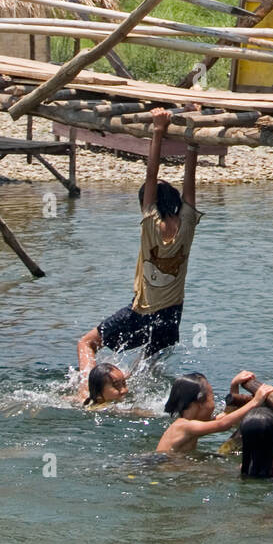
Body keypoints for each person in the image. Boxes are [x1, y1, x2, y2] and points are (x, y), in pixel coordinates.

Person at [76, 108, 198, 380]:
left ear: (149, 203)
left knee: (86, 343)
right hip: (171, 318)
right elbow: (189, 183)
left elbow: (150, 176)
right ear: (177, 203)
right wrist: (191, 142)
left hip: (141, 312)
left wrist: (157, 130)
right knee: (141, 375)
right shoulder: (188, 224)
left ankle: (86, 386)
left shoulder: (149, 222)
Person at [156, 370, 273, 456]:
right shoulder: (184, 426)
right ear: (200, 402)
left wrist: (234, 386)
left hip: (176, 464)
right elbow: (223, 424)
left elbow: (228, 417)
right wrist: (255, 401)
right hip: (164, 466)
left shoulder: (193, 423)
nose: (214, 405)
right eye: (212, 399)